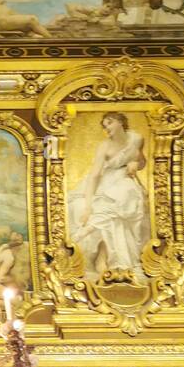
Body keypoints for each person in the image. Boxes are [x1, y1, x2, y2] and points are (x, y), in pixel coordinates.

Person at [68, 112, 149, 278]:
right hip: (106, 181)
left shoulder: (137, 139)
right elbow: (95, 175)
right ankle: (100, 254)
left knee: (126, 193)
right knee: (118, 198)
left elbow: (142, 161)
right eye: (104, 126)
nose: (107, 128)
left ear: (120, 122)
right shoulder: (104, 146)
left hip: (125, 179)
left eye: (110, 123)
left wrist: (135, 163)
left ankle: (97, 248)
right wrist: (89, 206)